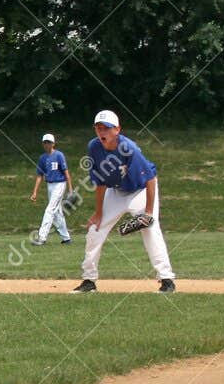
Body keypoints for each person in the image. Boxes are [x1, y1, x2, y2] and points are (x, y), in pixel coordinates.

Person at [73, 109, 176, 293]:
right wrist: (98, 213)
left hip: (141, 190)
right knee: (94, 230)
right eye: (98, 128)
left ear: (117, 129)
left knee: (150, 228)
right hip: (116, 191)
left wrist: (149, 213)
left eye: (107, 128)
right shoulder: (94, 147)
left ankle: (167, 279)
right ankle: (89, 280)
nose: (102, 132)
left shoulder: (130, 148)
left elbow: (150, 179)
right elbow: (100, 182)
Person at [28, 133, 73, 246]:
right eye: (45, 142)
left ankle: (42, 237)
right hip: (50, 185)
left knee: (50, 210)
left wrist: (70, 188)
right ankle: (66, 238)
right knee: (57, 212)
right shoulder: (42, 158)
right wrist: (35, 192)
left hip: (59, 184)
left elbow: (66, 172)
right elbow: (39, 176)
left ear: (53, 144)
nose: (47, 144)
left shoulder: (59, 155)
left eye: (49, 142)